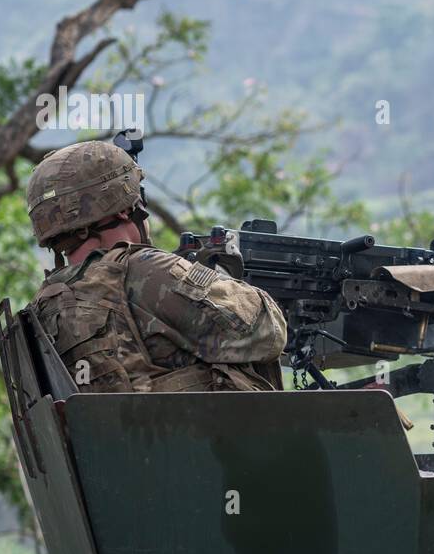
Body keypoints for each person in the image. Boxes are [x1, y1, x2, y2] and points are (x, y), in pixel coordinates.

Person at [25, 140, 287, 393]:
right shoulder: (146, 270)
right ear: (123, 208)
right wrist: (219, 277)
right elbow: (268, 332)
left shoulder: (43, 306)